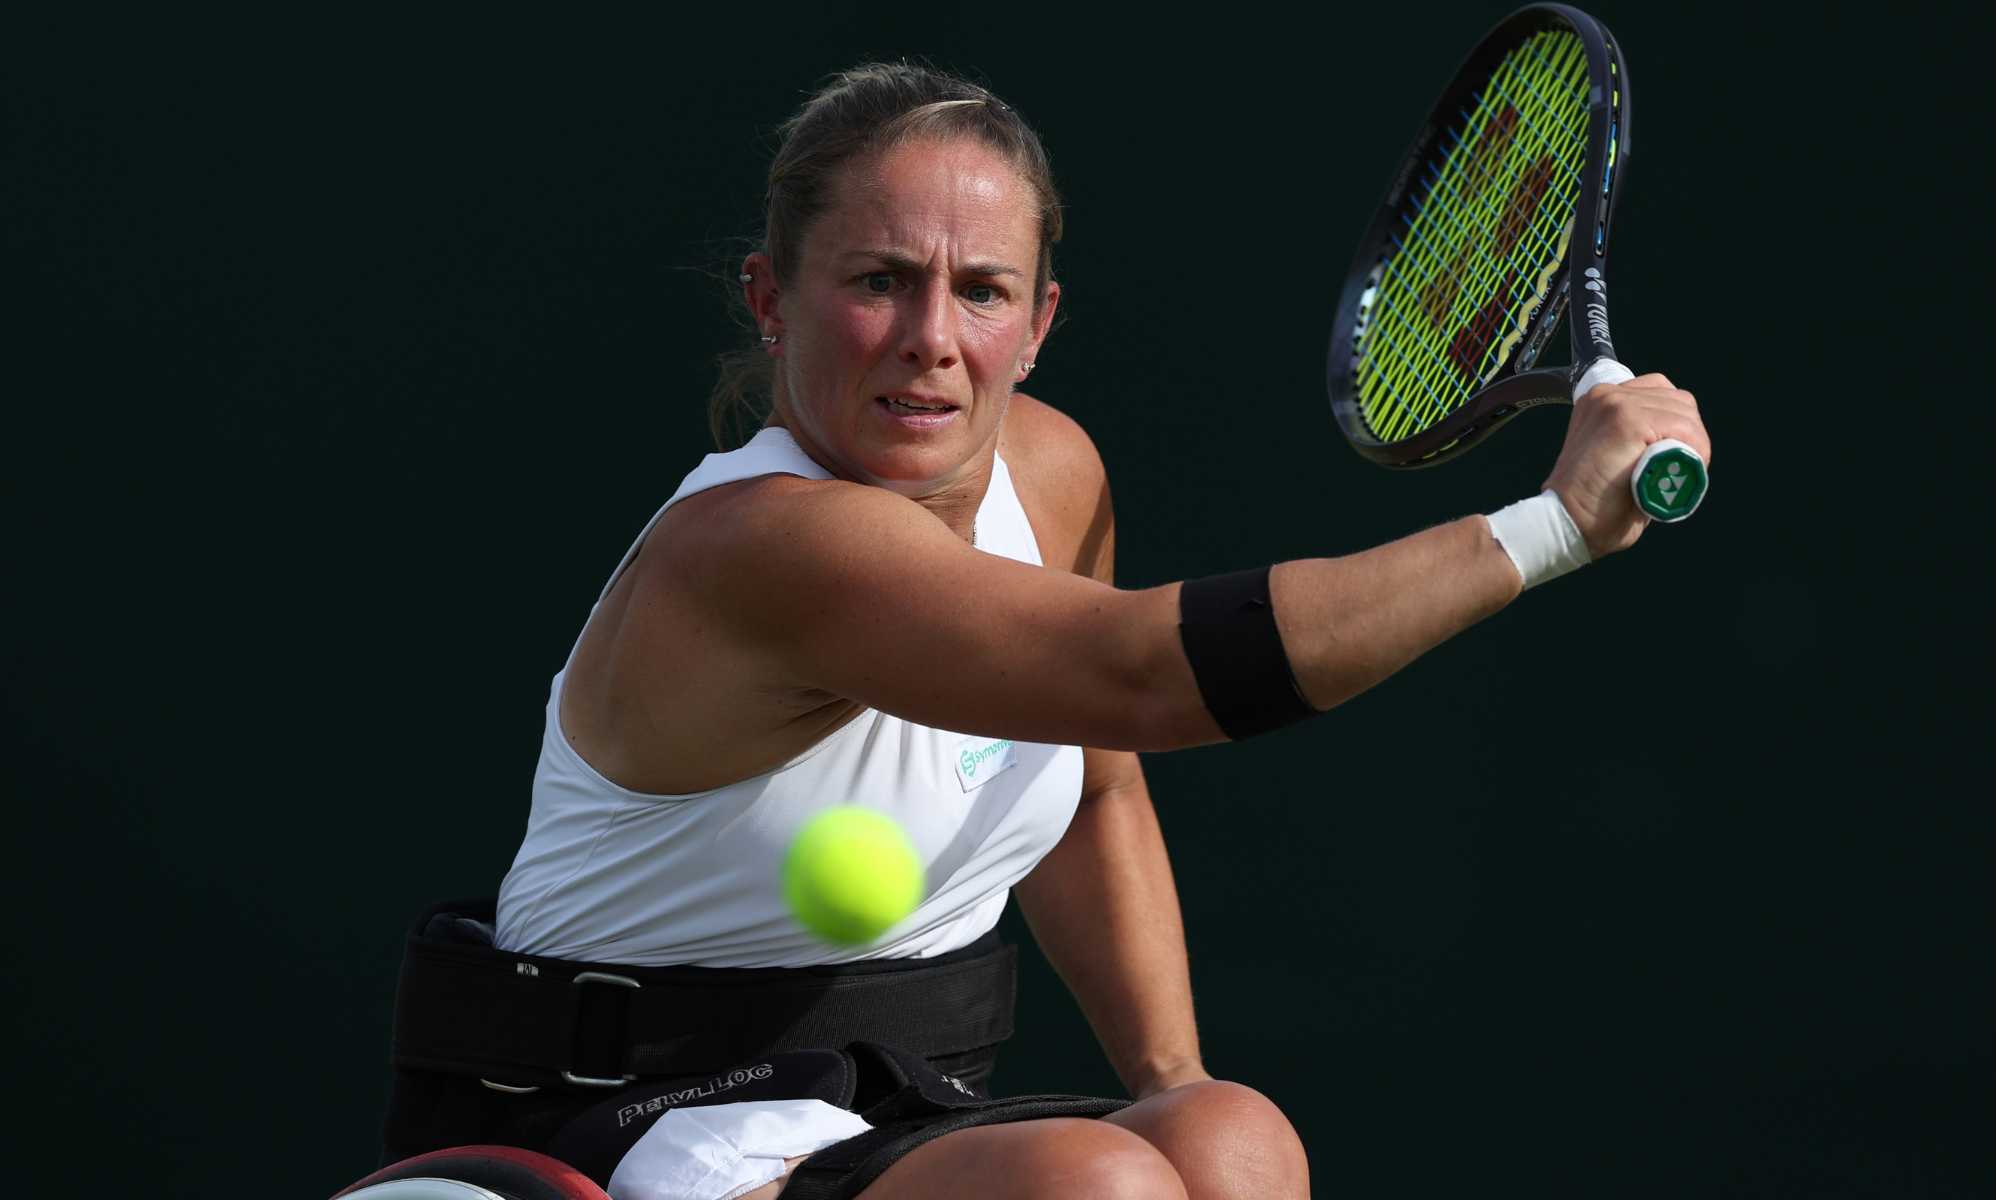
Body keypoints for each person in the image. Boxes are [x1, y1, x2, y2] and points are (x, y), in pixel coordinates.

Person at [375, 63, 1709, 1200]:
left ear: (1040, 323)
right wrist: (1551, 530)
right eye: (880, 280)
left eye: (982, 290)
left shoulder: (1054, 471)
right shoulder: (764, 546)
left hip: (891, 1103)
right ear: (771, 300)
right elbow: (1135, 679)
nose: (931, 340)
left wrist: (1171, 1081)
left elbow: (1094, 786)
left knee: (1232, 1143)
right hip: (613, 1131)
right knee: (1101, 1186)